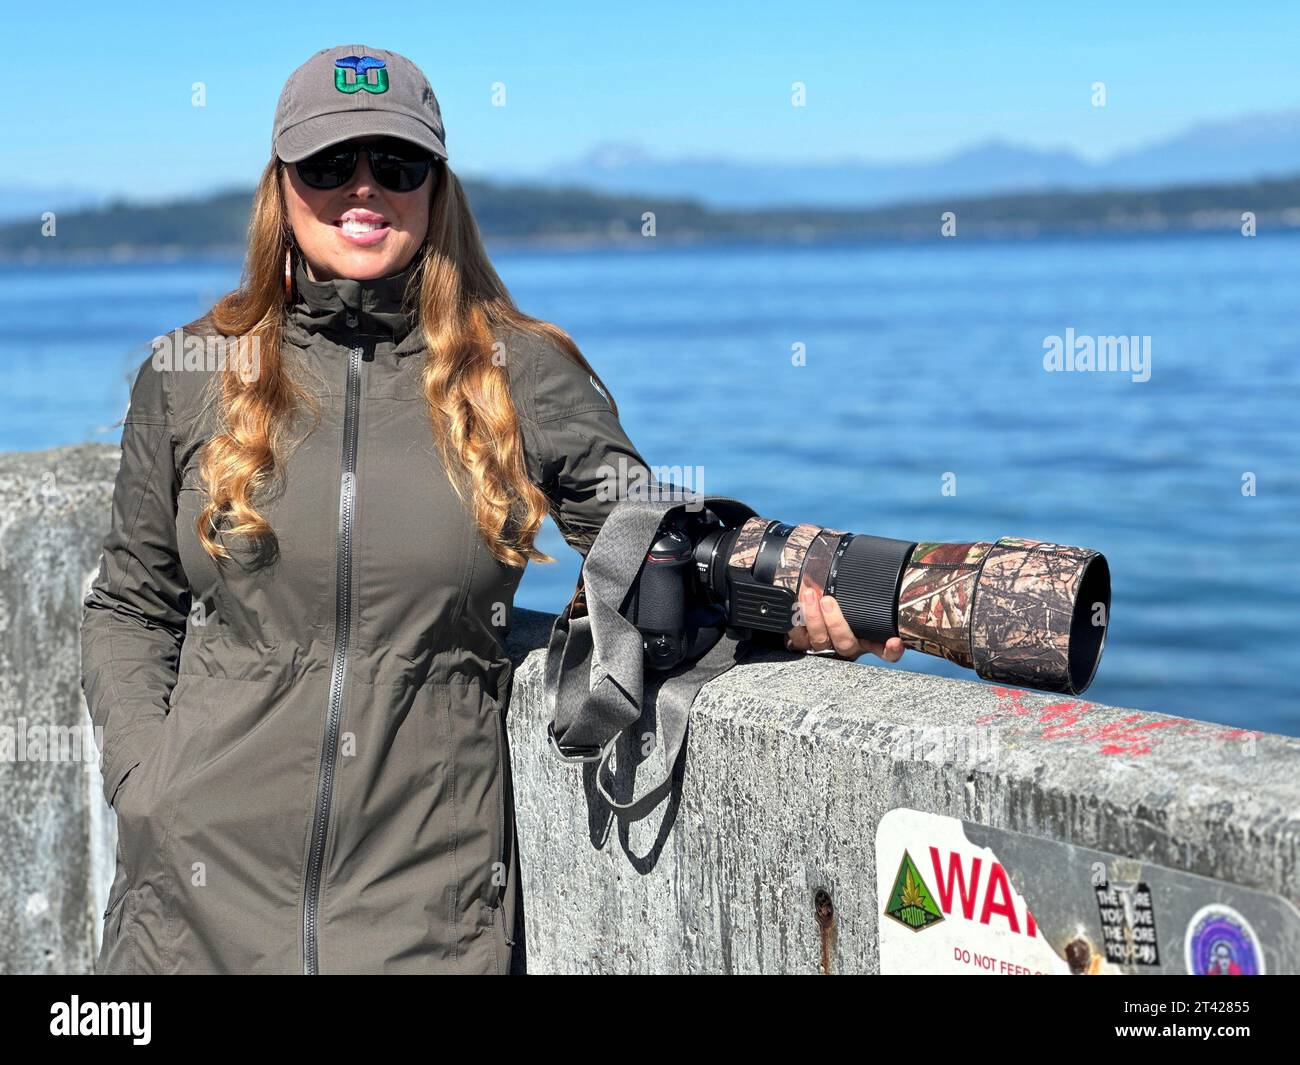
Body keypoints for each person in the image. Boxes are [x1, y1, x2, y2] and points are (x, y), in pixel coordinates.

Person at [81, 44, 904, 976]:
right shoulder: (191, 374)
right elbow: (128, 606)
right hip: (186, 918)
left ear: (437, 186)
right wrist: (145, 783)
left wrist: (794, 603)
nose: (364, 190)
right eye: (328, 165)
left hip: (428, 918)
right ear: (282, 186)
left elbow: (656, 549)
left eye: (396, 165)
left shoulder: (520, 373)